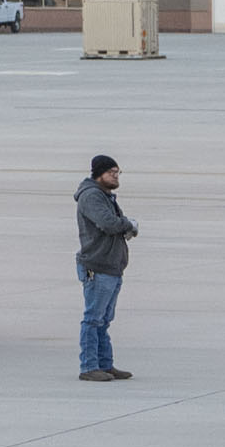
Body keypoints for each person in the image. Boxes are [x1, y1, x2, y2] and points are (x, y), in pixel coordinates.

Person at [74, 155, 137, 382]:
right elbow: (108, 223)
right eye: (112, 172)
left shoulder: (105, 196)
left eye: (118, 172)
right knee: (93, 318)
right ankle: (89, 366)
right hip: (98, 267)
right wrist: (129, 224)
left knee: (104, 320)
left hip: (111, 267)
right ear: (98, 173)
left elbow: (112, 224)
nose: (116, 176)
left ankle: (105, 364)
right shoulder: (92, 196)